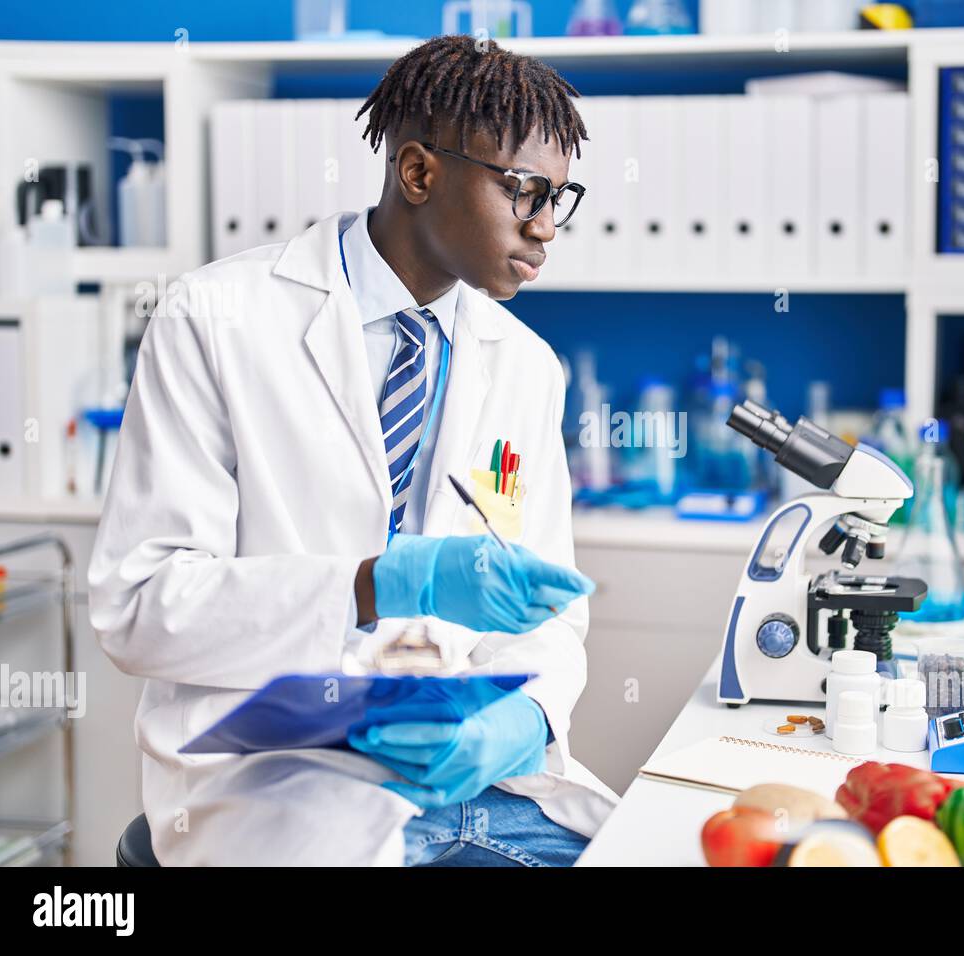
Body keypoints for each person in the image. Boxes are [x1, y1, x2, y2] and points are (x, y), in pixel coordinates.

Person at [88, 35, 618, 866]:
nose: (547, 227)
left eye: (560, 197)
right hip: (276, 779)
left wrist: (525, 718)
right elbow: (141, 608)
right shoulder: (212, 319)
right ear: (418, 174)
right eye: (523, 191)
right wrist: (374, 584)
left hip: (468, 781)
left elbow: (549, 619)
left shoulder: (524, 365)